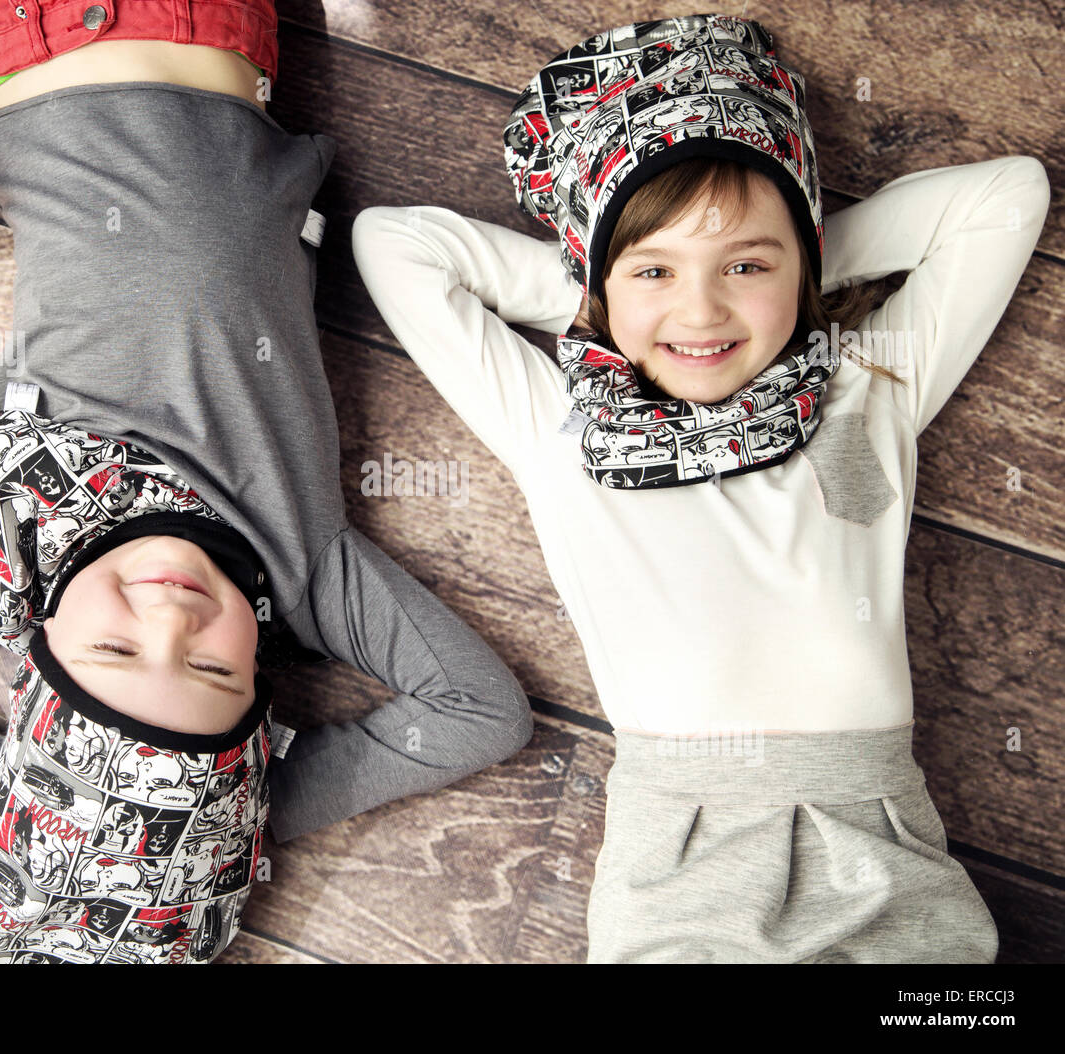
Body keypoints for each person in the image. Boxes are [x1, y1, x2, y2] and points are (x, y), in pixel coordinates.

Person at [0, 0, 533, 963]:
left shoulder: (5, 542)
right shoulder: (301, 568)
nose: (173, 619)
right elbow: (481, 717)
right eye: (215, 669)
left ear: (39, 644)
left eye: (117, 656)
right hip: (222, 39)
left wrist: (20, 791)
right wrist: (222, 811)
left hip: (30, 36)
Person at [351, 13, 1051, 962]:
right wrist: (611, 296)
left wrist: (788, 278)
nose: (703, 310)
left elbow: (1007, 196)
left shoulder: (864, 391)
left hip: (881, 850)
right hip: (680, 870)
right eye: (660, 272)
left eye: (744, 268)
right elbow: (394, 246)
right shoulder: (564, 427)